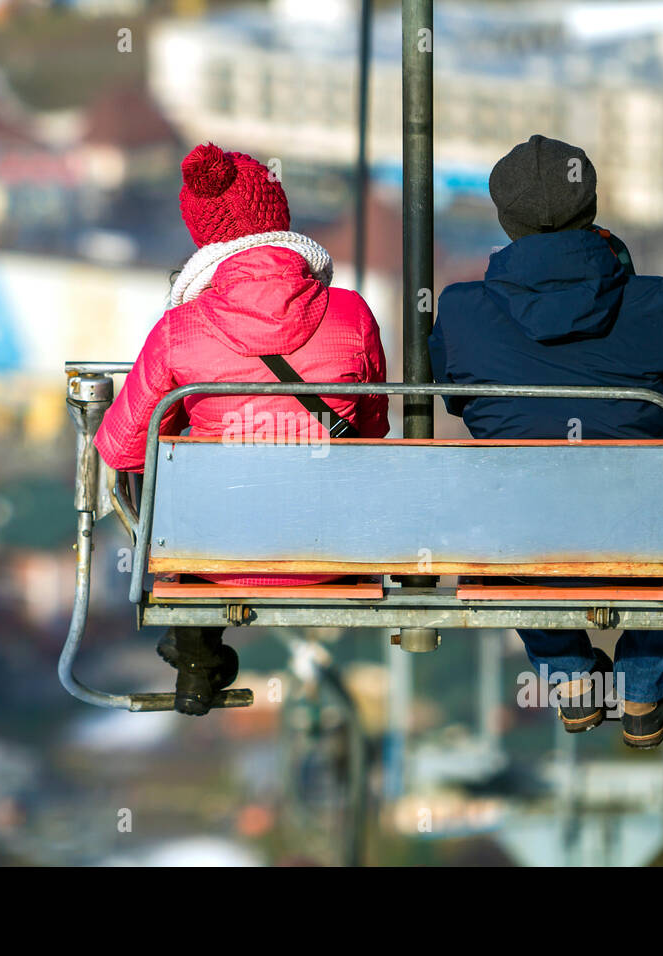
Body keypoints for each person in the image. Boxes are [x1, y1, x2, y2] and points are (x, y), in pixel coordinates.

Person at [428, 134, 663, 748]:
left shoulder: (459, 312)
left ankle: (569, 677)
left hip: (523, 539)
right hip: (643, 529)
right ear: (591, 208)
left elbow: (455, 397)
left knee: (506, 502)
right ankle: (643, 680)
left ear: (505, 221)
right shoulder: (650, 301)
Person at [95, 142, 389, 716]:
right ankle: (196, 655)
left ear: (205, 239)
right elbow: (373, 430)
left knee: (166, 486)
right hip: (332, 557)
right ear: (279, 217)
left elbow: (122, 446)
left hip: (215, 559)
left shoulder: (180, 330)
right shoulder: (352, 314)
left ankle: (197, 657)